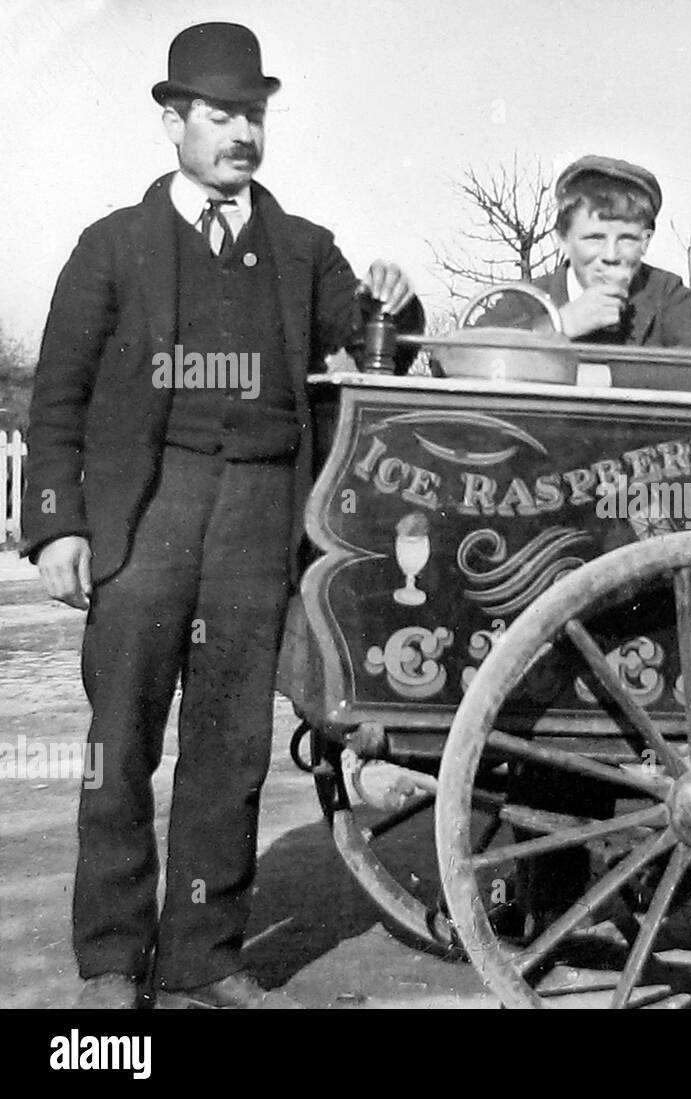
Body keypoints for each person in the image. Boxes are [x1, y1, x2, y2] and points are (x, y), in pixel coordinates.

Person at [20, 21, 421, 1009]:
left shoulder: (303, 249)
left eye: (253, 114)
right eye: (218, 114)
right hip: (146, 515)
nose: (240, 132)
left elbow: (372, 355)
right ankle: (113, 966)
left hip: (257, 519)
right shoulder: (111, 247)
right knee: (121, 746)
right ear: (172, 122)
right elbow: (57, 395)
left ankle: (204, 959)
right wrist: (58, 523)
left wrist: (397, 306)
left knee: (229, 749)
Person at [479, 155, 691, 355]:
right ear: (562, 239)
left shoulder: (665, 293)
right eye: (594, 238)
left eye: (627, 239)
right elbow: (460, 353)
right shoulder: (528, 298)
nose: (611, 255)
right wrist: (558, 325)